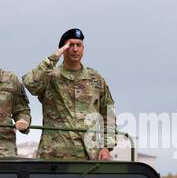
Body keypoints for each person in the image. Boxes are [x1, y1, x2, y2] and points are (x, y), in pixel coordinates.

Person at [22, 29, 116, 160]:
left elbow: (109, 112)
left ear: (83, 48)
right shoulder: (50, 76)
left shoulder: (95, 78)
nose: (75, 49)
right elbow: (30, 83)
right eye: (70, 45)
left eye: (79, 45)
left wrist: (106, 146)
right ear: (62, 49)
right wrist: (53, 58)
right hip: (55, 157)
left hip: (90, 157)